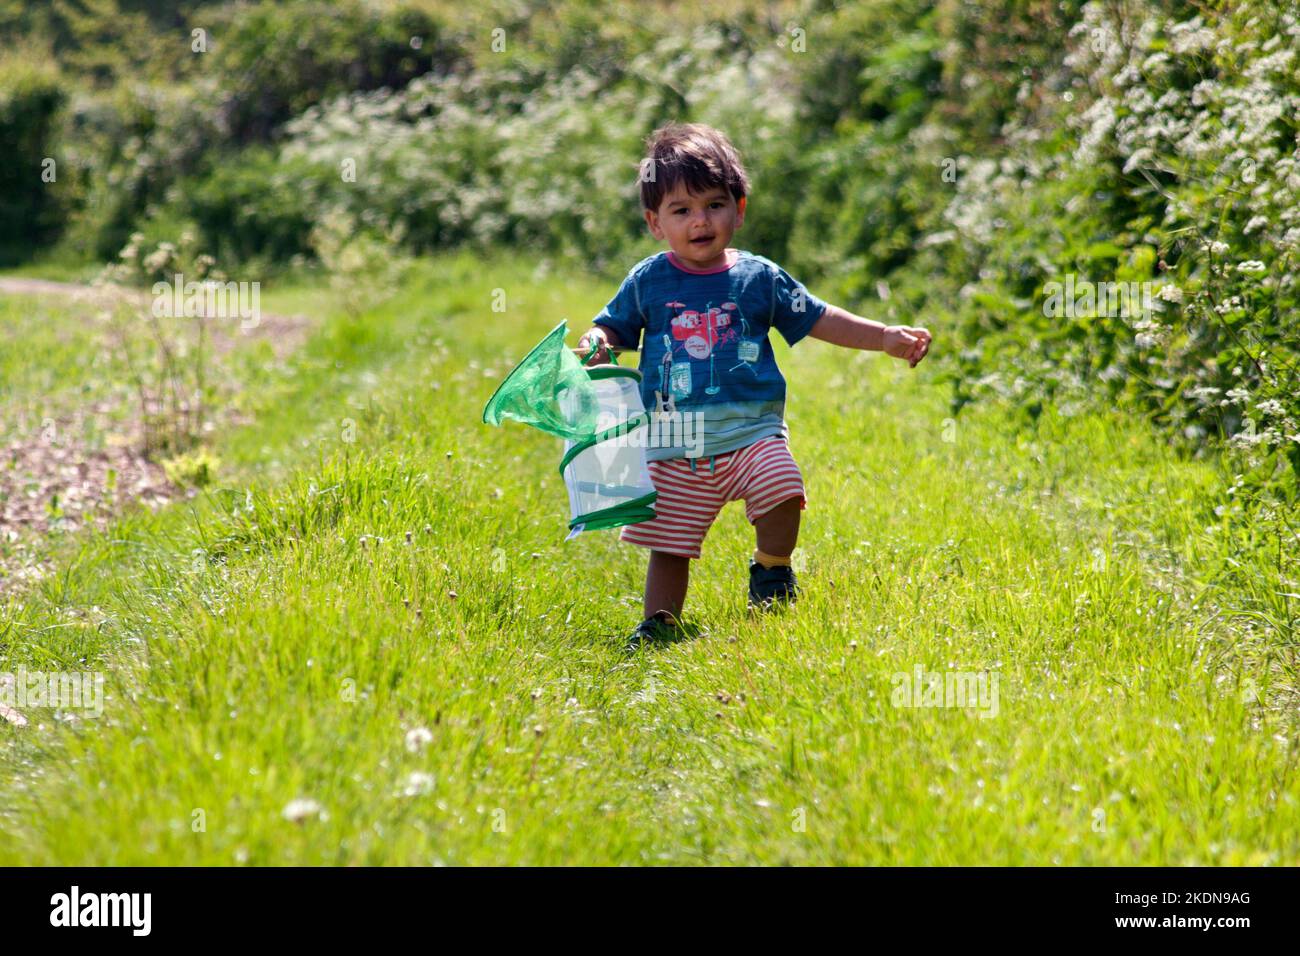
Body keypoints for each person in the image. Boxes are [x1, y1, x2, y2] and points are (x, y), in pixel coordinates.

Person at [578, 122, 931, 645]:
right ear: (656, 223)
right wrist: (597, 340)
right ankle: (659, 623)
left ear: (738, 208)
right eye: (681, 211)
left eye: (714, 205)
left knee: (784, 489)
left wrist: (883, 337)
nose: (700, 221)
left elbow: (816, 317)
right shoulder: (648, 280)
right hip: (677, 445)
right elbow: (613, 327)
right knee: (671, 545)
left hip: (752, 432)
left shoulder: (758, 277)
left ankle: (771, 570)